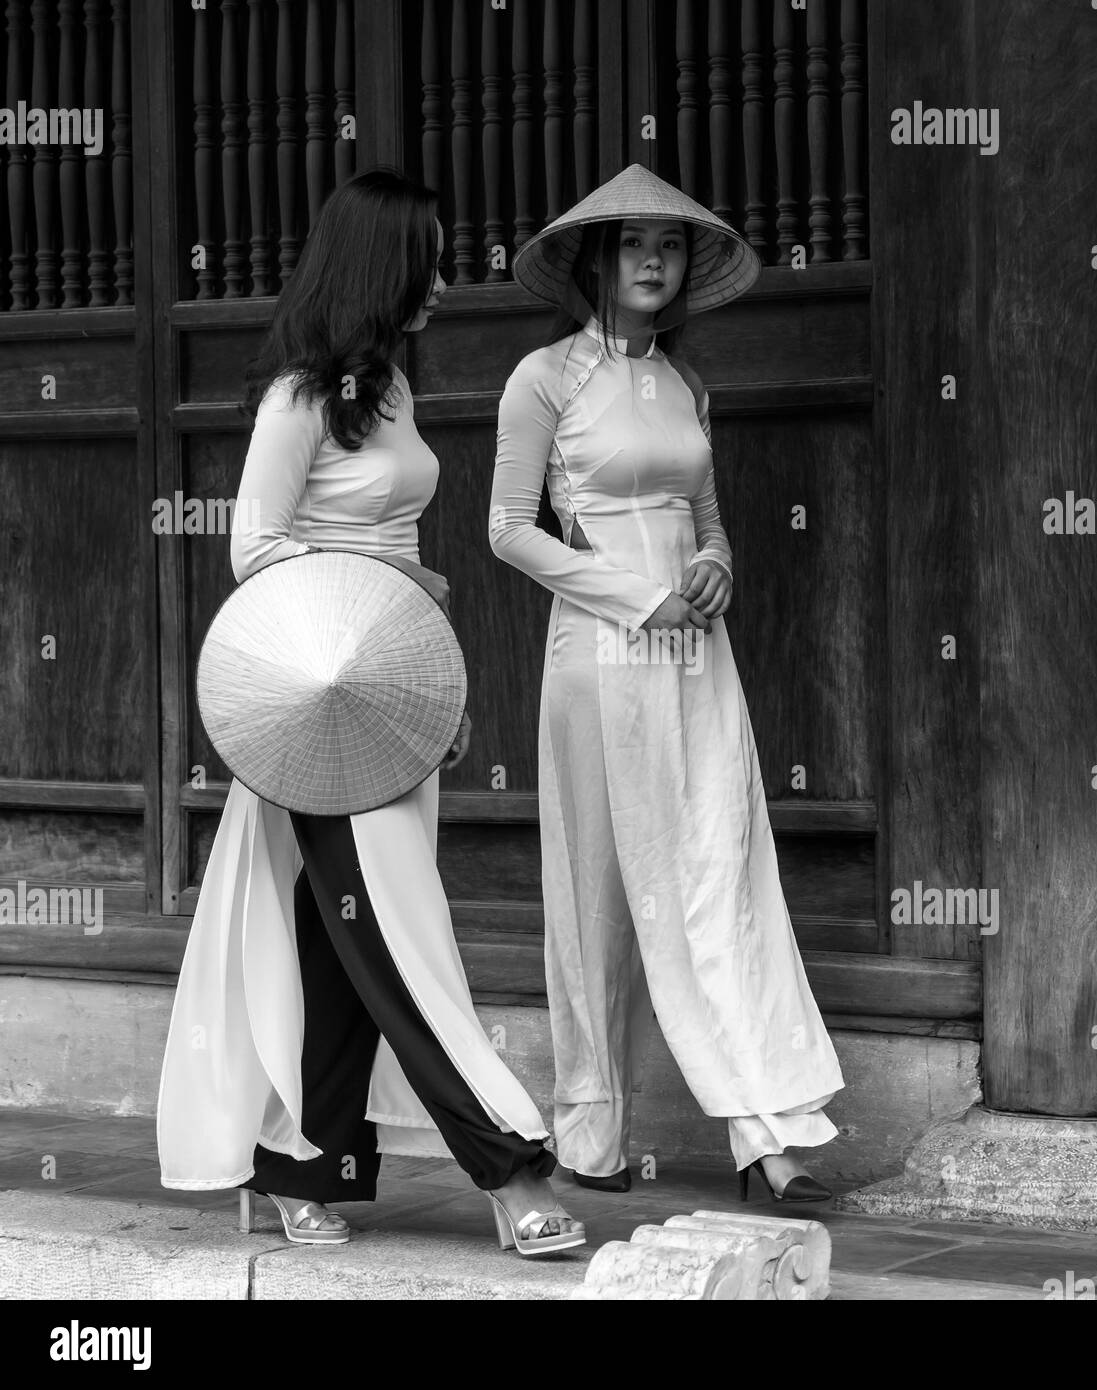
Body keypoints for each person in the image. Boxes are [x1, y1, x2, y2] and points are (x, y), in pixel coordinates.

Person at [156, 168, 584, 1258]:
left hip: (395, 691)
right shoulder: (296, 399)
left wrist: (444, 686)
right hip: (321, 701)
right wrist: (387, 596)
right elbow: (253, 547)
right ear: (378, 267)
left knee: (332, 937)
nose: (444, 276)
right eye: (429, 257)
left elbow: (413, 556)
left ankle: (303, 1163)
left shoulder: (385, 390)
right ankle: (509, 1167)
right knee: (396, 934)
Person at [489, 164, 845, 1202]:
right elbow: (510, 532)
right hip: (599, 658)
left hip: (695, 656)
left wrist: (717, 567)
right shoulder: (543, 378)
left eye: (671, 244)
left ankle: (765, 1134)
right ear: (594, 261)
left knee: (717, 871)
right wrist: (638, 600)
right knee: (595, 889)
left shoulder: (688, 387)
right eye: (632, 243)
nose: (653, 259)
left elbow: (709, 519)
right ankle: (590, 1133)